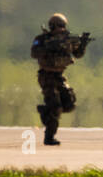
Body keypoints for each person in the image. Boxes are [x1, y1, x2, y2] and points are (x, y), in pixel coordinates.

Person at [29, 12, 91, 146]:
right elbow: (34, 52)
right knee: (55, 107)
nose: (62, 28)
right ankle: (49, 137)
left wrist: (83, 44)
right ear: (52, 26)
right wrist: (49, 47)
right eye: (60, 26)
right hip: (46, 75)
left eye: (63, 25)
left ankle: (45, 111)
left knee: (69, 103)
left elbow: (77, 54)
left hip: (59, 75)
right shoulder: (42, 39)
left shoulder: (67, 40)